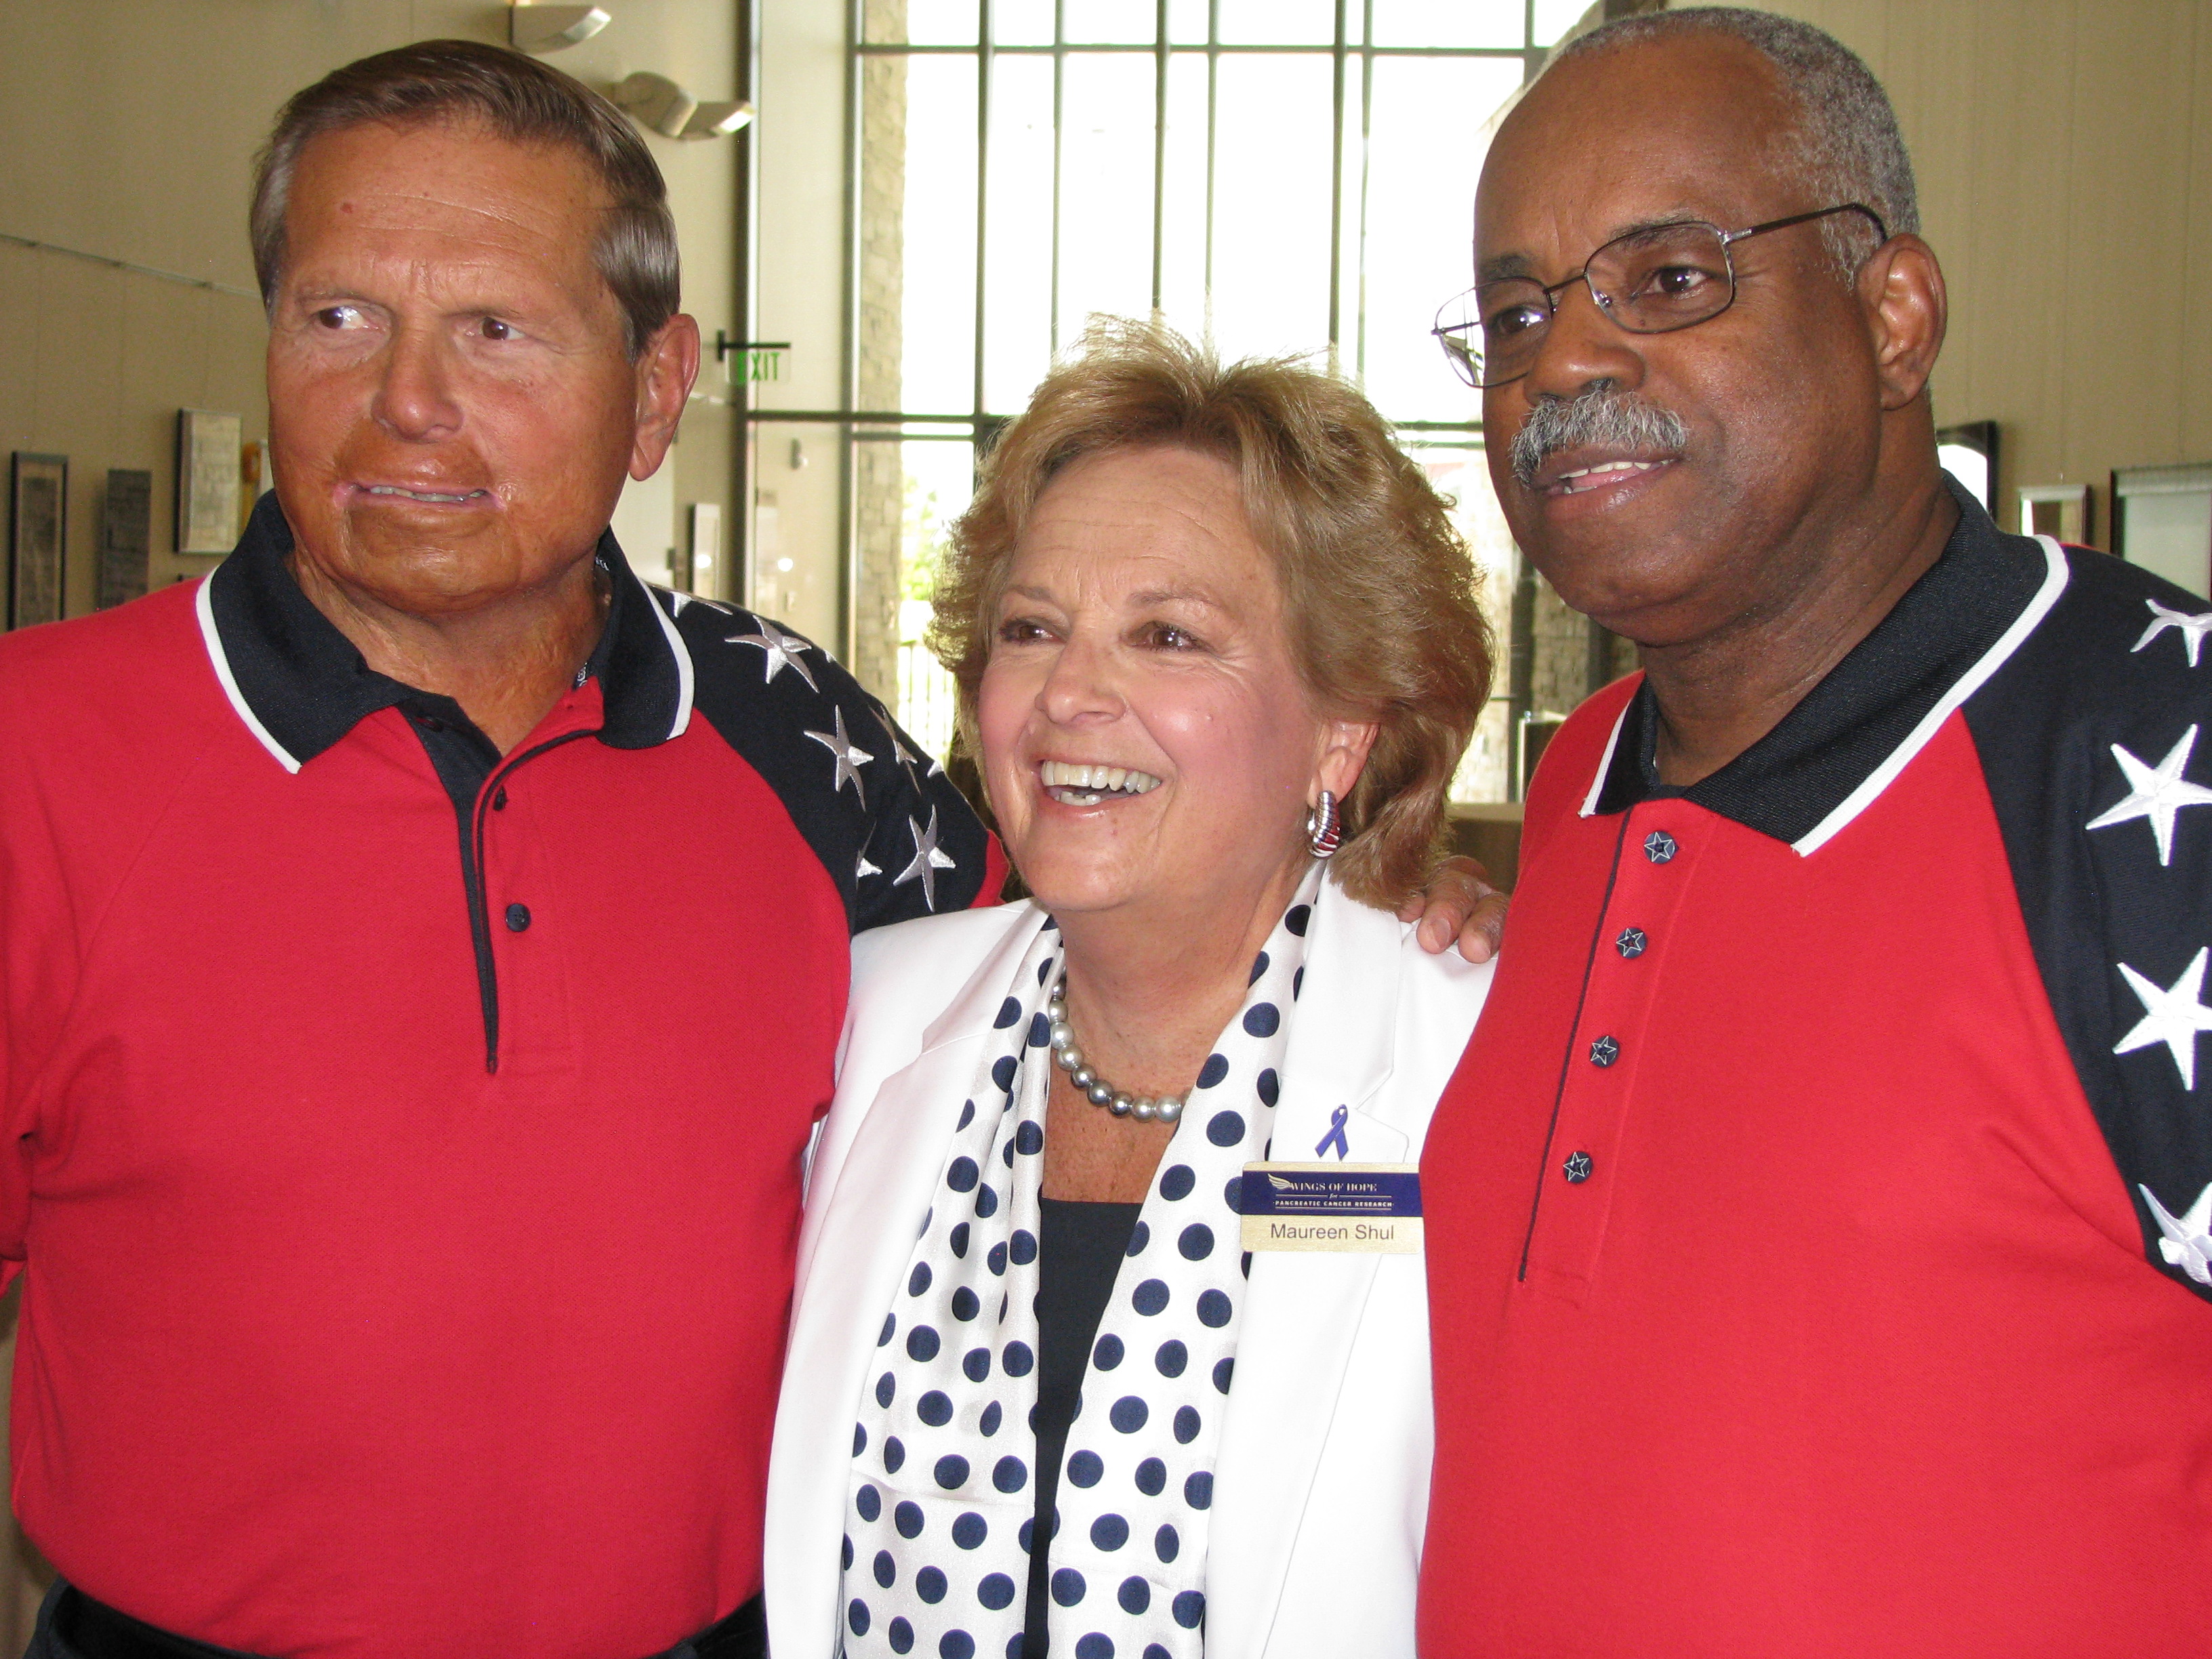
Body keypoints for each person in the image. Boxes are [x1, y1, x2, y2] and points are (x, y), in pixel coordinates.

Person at [0, 43, 1502, 1659]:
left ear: (657, 389)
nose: (407, 402)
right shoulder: (36, 761)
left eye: (496, 329)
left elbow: (1133, 916)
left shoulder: (792, 749)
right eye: (339, 315)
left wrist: (1384, 882)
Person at [1418, 9, 2212, 1654]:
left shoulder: (2150, 760)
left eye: (1672, 277)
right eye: (1513, 315)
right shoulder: (1580, 787)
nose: (1562, 363)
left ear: (1896, 315)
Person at [763, 323, 1495, 1659]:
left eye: (1168, 635)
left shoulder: (1477, 1063)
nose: (1070, 695)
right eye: (1032, 629)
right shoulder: (864, 1021)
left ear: (1344, 731)